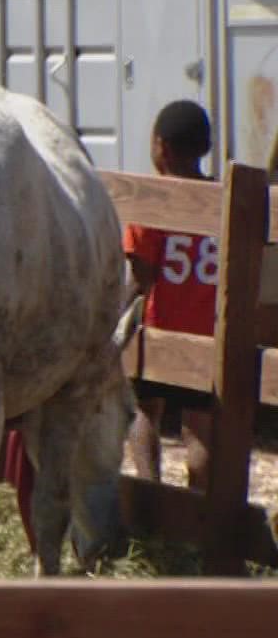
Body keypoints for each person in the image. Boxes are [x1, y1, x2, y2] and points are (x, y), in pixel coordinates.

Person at [123, 99, 218, 490]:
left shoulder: (154, 199)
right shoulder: (221, 197)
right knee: (200, 425)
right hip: (209, 336)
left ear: (161, 146)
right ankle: (197, 505)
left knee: (145, 413)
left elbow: (141, 275)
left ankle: (150, 493)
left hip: (161, 332)